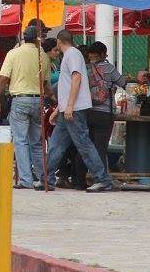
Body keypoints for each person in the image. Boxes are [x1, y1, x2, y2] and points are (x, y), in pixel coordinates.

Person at [44, 30, 114, 192]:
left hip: (73, 109)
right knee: (56, 144)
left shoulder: (72, 54)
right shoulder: (70, 55)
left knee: (83, 144)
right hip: (67, 109)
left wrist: (68, 106)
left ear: (59, 42)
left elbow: (76, 78)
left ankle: (102, 179)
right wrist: (59, 109)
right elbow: (67, 84)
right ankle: (46, 178)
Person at [0, 22, 51, 190]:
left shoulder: (13, 54)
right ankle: (43, 178)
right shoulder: (43, 55)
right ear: (37, 39)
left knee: (20, 141)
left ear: (23, 38)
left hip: (20, 100)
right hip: (38, 100)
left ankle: (26, 180)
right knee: (37, 142)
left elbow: (3, 79)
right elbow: (46, 83)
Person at [77, 41, 121, 188]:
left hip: (88, 111)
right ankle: (100, 180)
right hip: (105, 113)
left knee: (87, 146)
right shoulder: (109, 68)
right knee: (100, 147)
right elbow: (123, 82)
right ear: (103, 54)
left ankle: (81, 180)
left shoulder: (85, 68)